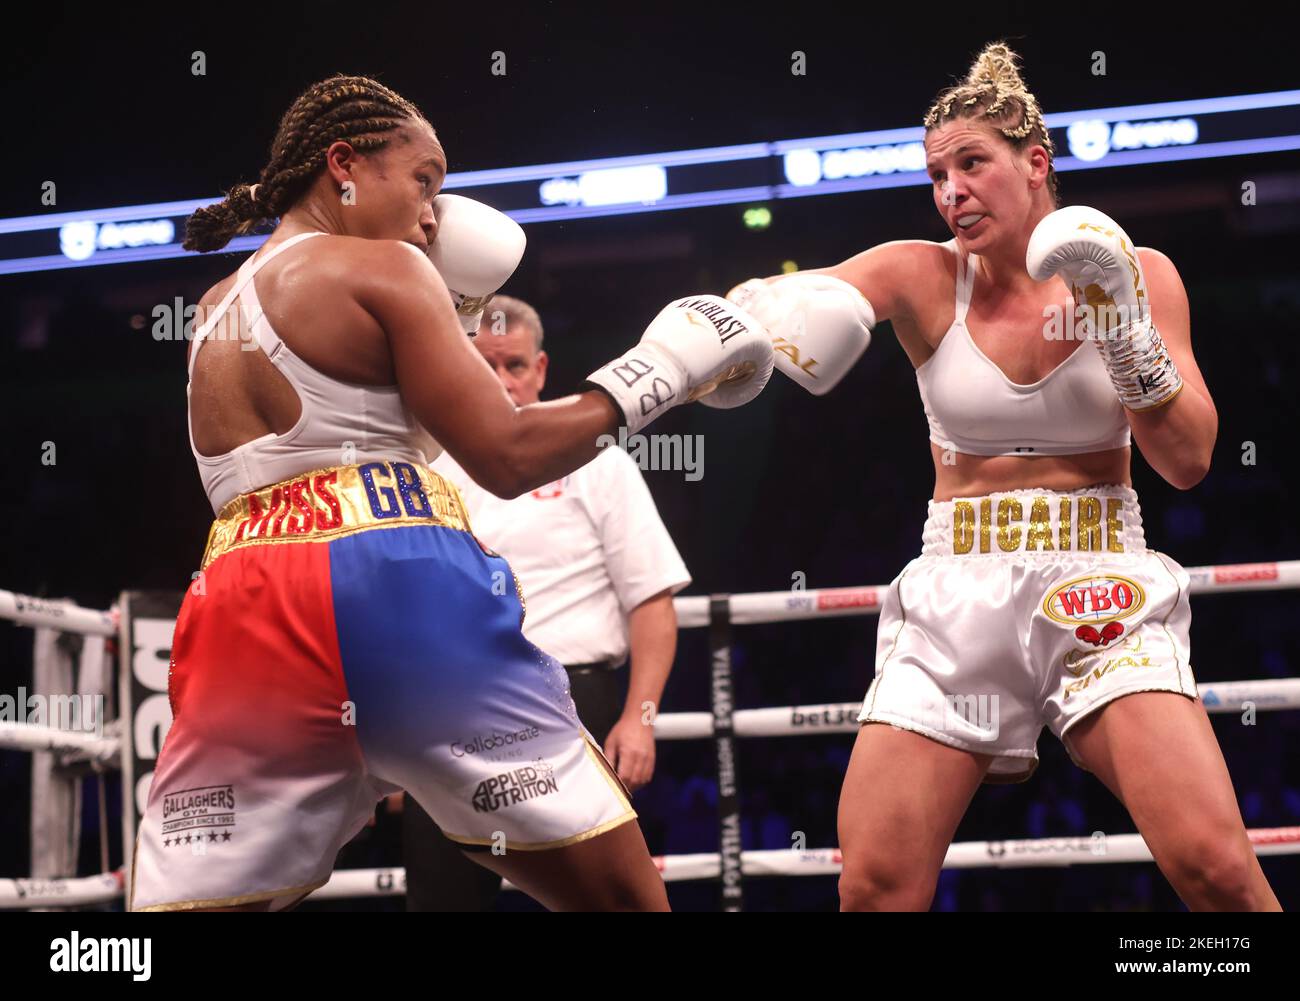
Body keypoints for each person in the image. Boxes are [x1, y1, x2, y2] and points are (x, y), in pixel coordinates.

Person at [127, 74, 772, 912]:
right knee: (625, 899)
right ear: (344, 164)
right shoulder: (384, 267)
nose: (435, 211)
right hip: (393, 582)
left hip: (238, 609)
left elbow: (353, 442)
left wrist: (455, 317)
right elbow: (503, 453)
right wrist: (661, 373)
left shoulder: (211, 310)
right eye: (425, 179)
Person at [729, 43, 1280, 911]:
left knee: (1214, 868)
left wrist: (1122, 328)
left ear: (1036, 164)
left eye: (972, 164)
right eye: (937, 174)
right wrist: (736, 330)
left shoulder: (1142, 273)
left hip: (1098, 578)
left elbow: (1189, 461)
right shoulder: (920, 274)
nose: (952, 192)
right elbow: (775, 302)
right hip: (955, 588)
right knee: (873, 886)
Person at [401, 294, 690, 911]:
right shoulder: (423, 468)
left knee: (607, 898)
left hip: (572, 701)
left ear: (540, 369)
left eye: (513, 365)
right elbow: (407, 616)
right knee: (442, 902)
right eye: (484, 365)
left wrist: (640, 717)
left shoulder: (596, 458)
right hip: (451, 711)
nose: (501, 380)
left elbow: (651, 598)